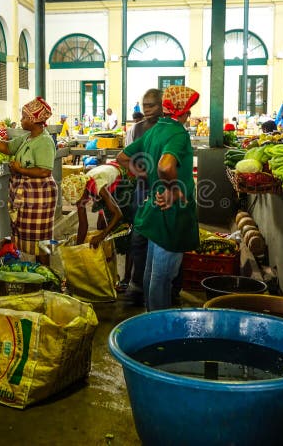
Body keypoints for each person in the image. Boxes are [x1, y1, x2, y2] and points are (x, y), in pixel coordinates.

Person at [117, 85, 200, 311]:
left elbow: (123, 157)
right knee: (162, 278)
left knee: (152, 273)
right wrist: (173, 189)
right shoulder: (177, 133)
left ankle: (149, 316)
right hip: (171, 212)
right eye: (189, 110)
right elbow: (165, 166)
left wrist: (143, 174)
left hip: (153, 205)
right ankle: (159, 328)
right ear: (183, 112)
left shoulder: (155, 130)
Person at [0, 97, 57, 265]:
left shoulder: (44, 141)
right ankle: (38, 276)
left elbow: (45, 170)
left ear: (33, 120)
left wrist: (20, 170)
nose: (21, 120)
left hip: (40, 195)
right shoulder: (27, 137)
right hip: (27, 195)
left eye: (24, 117)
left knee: (41, 241)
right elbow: (8, 147)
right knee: (28, 236)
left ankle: (46, 279)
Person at [123, 88, 163, 305]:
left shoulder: (168, 129)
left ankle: (166, 286)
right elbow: (126, 157)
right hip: (142, 189)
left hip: (166, 189)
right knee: (139, 237)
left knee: (163, 237)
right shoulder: (135, 130)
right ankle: (137, 286)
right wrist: (140, 173)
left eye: (151, 106)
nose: (146, 110)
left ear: (162, 106)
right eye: (144, 105)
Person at [61, 162, 132, 250]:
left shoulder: (97, 186)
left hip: (121, 177)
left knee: (120, 230)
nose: (78, 202)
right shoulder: (81, 184)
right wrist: (78, 248)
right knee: (101, 224)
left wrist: (101, 236)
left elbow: (118, 214)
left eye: (78, 199)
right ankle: (104, 250)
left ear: (83, 191)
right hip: (105, 180)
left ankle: (121, 252)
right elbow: (83, 224)